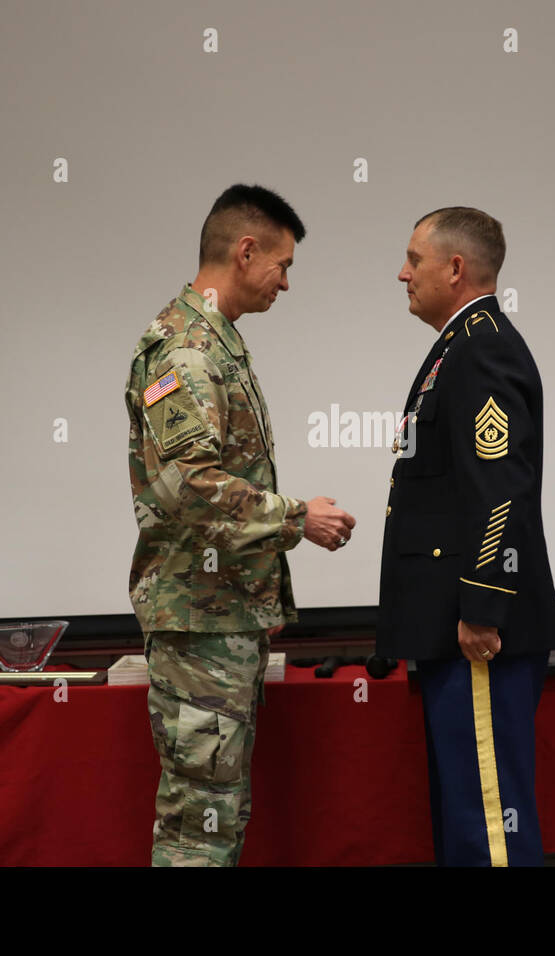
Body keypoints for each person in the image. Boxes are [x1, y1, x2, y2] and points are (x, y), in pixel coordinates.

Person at [124, 183, 355, 866]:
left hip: (223, 621)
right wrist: (296, 517)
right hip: (201, 626)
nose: (286, 283)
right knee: (199, 826)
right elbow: (190, 489)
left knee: (217, 816)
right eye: (282, 265)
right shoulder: (186, 352)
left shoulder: (217, 343)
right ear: (246, 251)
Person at [376, 206, 555, 866]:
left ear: (455, 268)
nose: (402, 273)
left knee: (489, 823)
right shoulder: (460, 345)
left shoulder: (481, 350)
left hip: (477, 633)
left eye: (414, 260)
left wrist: (483, 605)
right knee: (466, 815)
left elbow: (500, 488)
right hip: (453, 629)